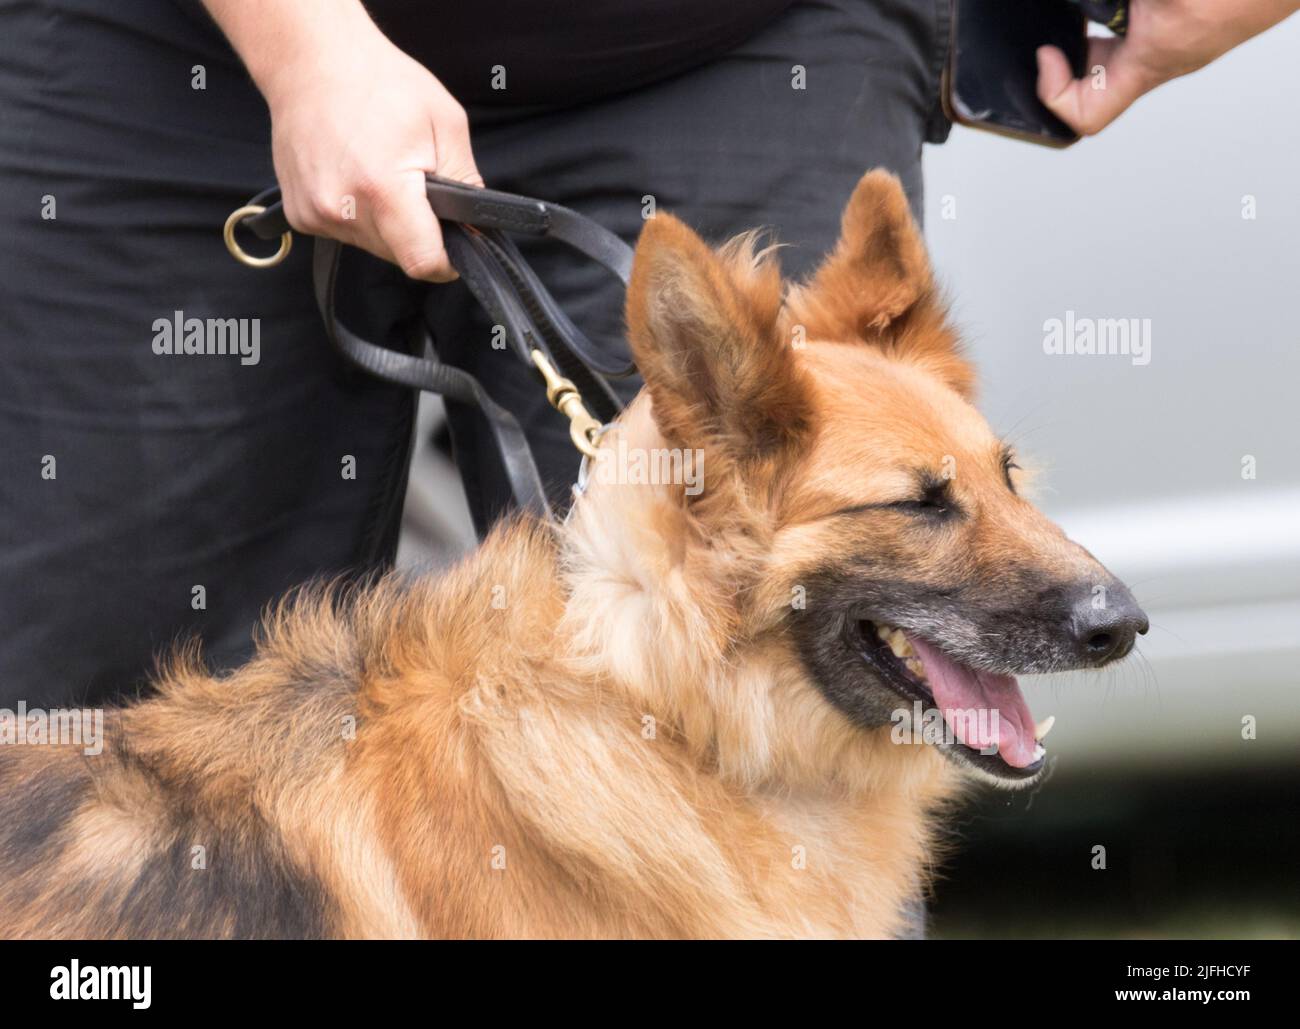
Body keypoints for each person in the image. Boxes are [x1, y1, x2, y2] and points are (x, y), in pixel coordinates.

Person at [0, 0, 1294, 709]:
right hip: (171, 46)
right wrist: (312, 44)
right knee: (107, 725)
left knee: (762, 690)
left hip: (734, 40)